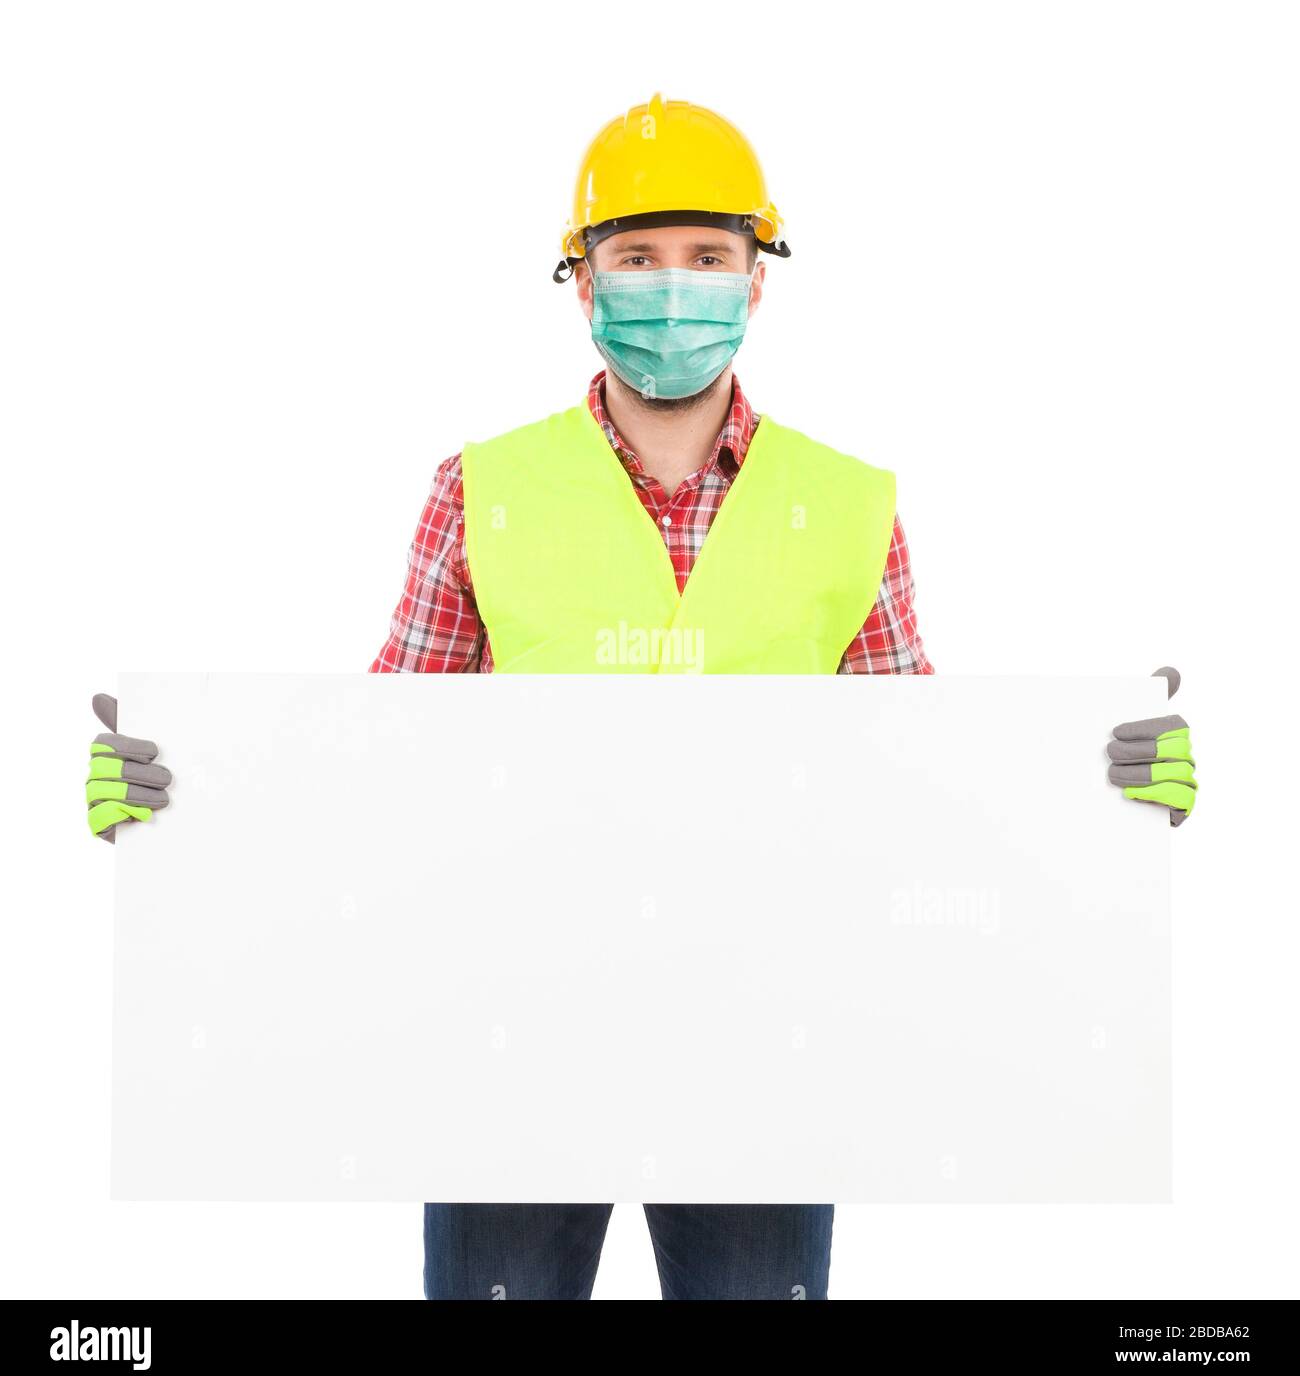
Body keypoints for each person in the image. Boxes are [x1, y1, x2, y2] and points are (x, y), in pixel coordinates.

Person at [84, 94, 1199, 1300]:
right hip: (506, 1031)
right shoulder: (480, 491)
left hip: (768, 1038)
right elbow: (382, 765)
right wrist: (188, 797)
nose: (674, 289)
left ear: (757, 281)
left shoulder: (849, 504)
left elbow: (918, 780)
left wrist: (1097, 796)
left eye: (708, 258)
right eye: (638, 259)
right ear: (583, 282)